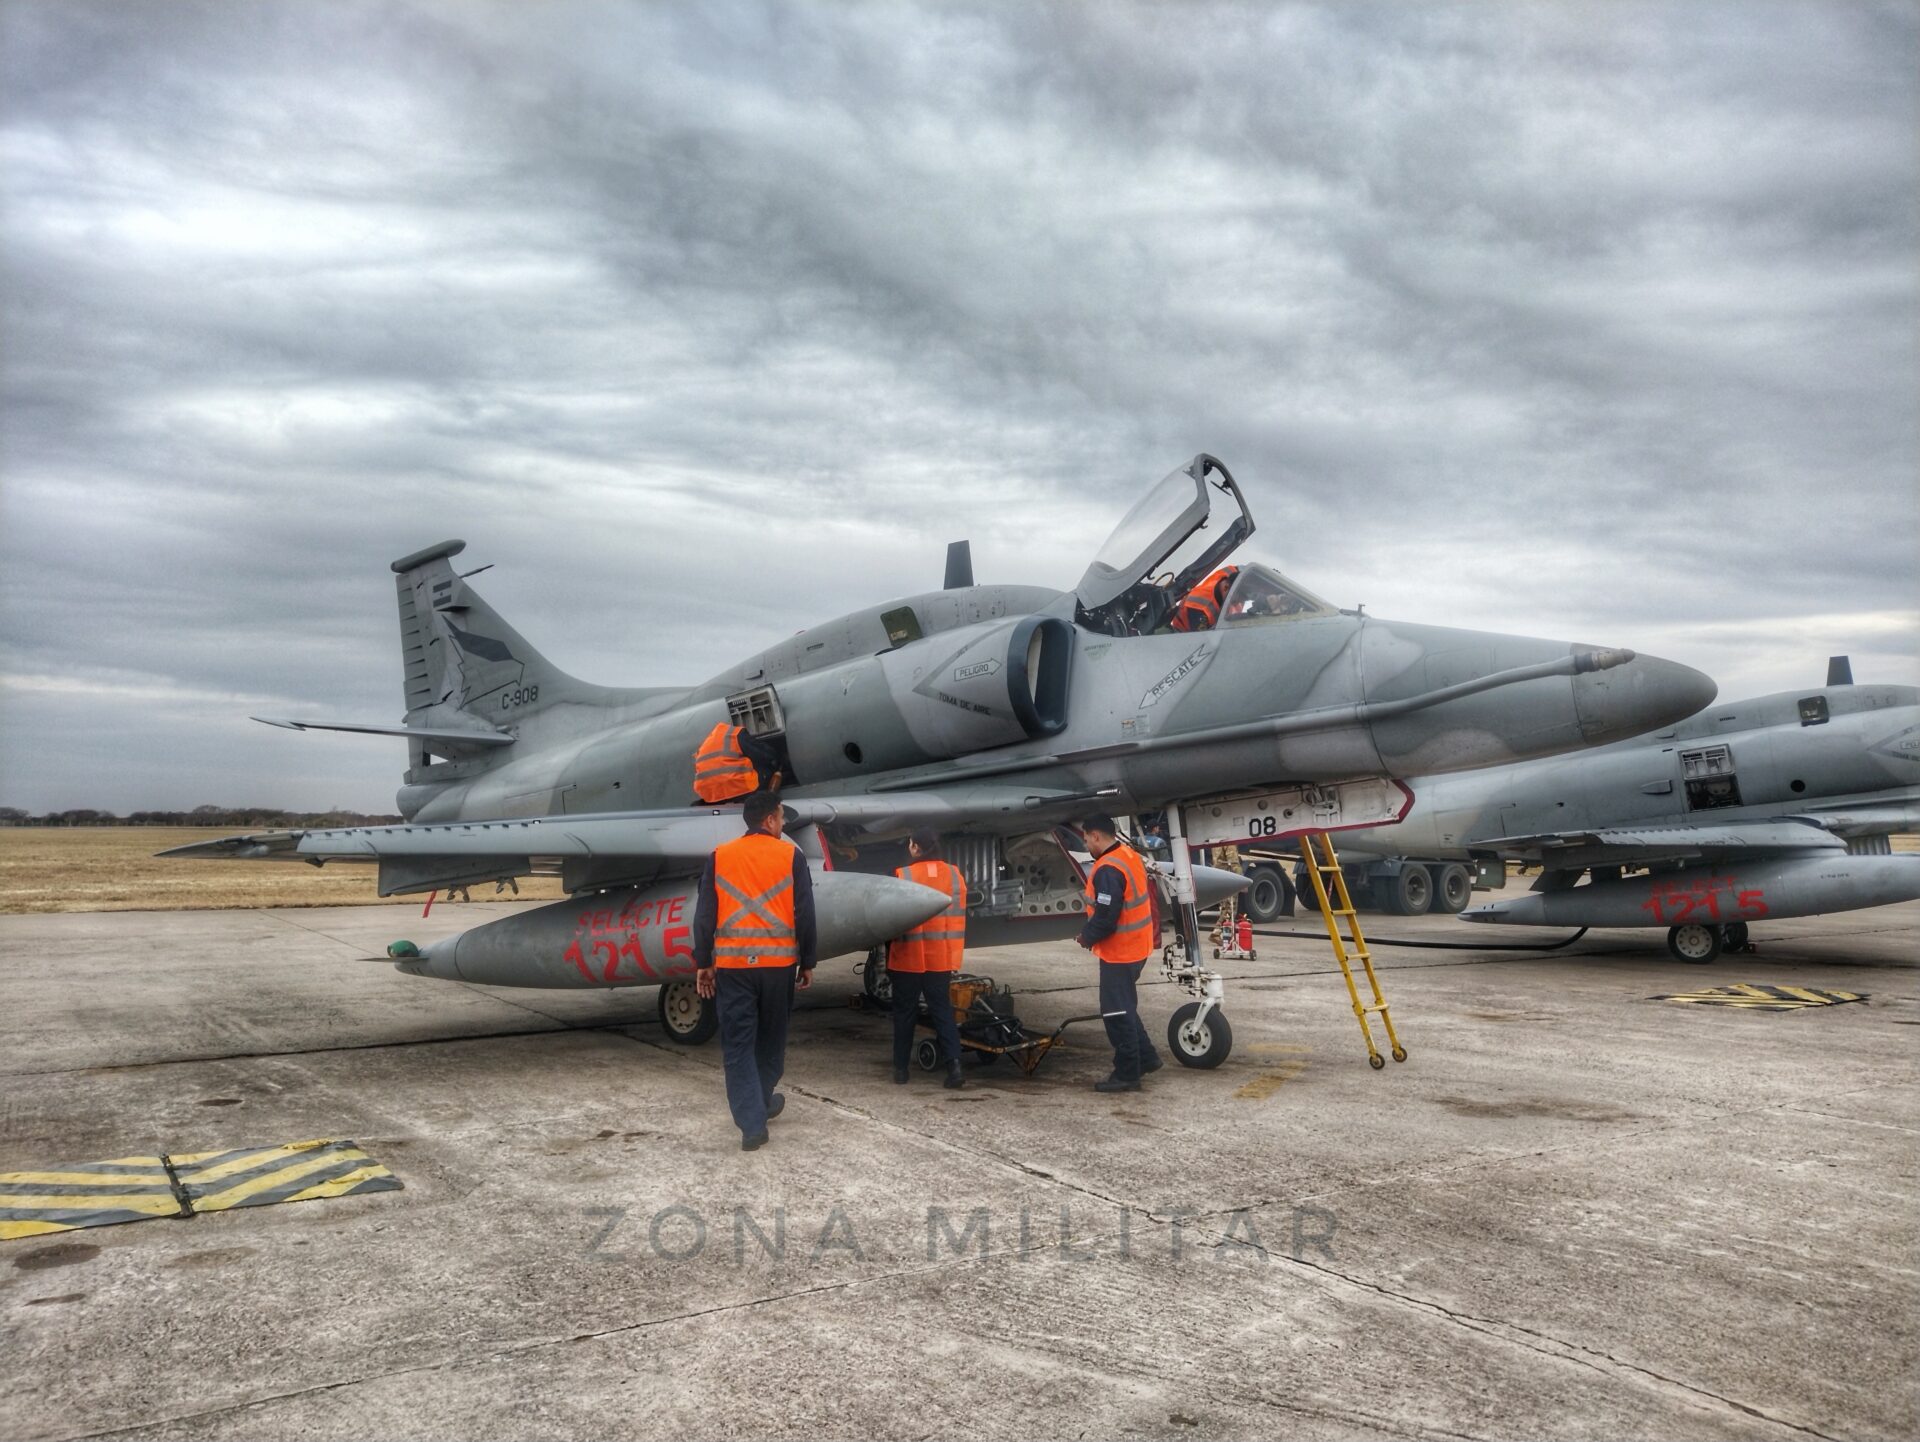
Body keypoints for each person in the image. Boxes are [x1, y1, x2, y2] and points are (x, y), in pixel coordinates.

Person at [693, 791, 816, 1150]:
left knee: (738, 1045)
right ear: (769, 821)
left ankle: (753, 1121)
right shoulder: (791, 855)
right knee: (771, 1040)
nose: (782, 825)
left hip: (733, 968)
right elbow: (805, 913)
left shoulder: (720, 856)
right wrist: (807, 960)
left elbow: (704, 914)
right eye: (780, 818)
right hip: (778, 967)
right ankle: (759, 1103)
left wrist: (703, 961)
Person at [1074, 813, 1164, 1093]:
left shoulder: (1107, 869)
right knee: (1125, 1006)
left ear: (1096, 836)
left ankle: (1127, 1073)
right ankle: (1146, 1058)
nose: (1086, 844)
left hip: (1120, 952)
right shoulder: (1129, 855)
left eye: (1086, 838)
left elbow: (1106, 917)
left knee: (1115, 1012)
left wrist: (1086, 937)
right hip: (1138, 946)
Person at [887, 831, 967, 1090]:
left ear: (917, 848)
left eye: (910, 843)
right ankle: (954, 1067)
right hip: (940, 957)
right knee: (942, 1011)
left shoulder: (904, 875)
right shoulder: (954, 875)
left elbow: (890, 918)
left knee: (904, 1013)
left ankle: (901, 1070)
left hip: (908, 959)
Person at [692, 720, 783, 804]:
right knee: (767, 771)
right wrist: (776, 756)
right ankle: (769, 799)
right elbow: (762, 754)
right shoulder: (735, 733)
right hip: (741, 789)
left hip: (712, 796)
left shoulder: (705, 745)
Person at [1168, 565, 1239, 634]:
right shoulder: (1201, 610)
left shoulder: (1230, 572)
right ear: (1226, 588)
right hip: (1182, 633)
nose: (1238, 604)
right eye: (1235, 601)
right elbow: (1202, 640)